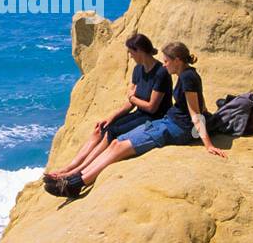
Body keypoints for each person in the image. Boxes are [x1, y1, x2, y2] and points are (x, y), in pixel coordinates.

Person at [45, 41, 226, 199]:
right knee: (116, 142)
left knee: (120, 148)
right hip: (166, 122)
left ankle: (77, 184)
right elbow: (200, 105)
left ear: (177, 60)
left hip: (176, 129)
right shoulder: (187, 74)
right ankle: (74, 176)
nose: (164, 65)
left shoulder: (188, 78)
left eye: (166, 61)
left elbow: (195, 114)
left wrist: (208, 144)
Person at [44, 33, 171, 181]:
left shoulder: (161, 73)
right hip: (140, 113)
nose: (130, 56)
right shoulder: (138, 70)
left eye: (131, 52)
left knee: (112, 132)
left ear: (140, 51)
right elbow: (131, 103)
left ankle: (77, 172)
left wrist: (132, 97)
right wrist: (111, 117)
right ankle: (69, 167)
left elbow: (152, 107)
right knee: (103, 128)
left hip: (155, 118)